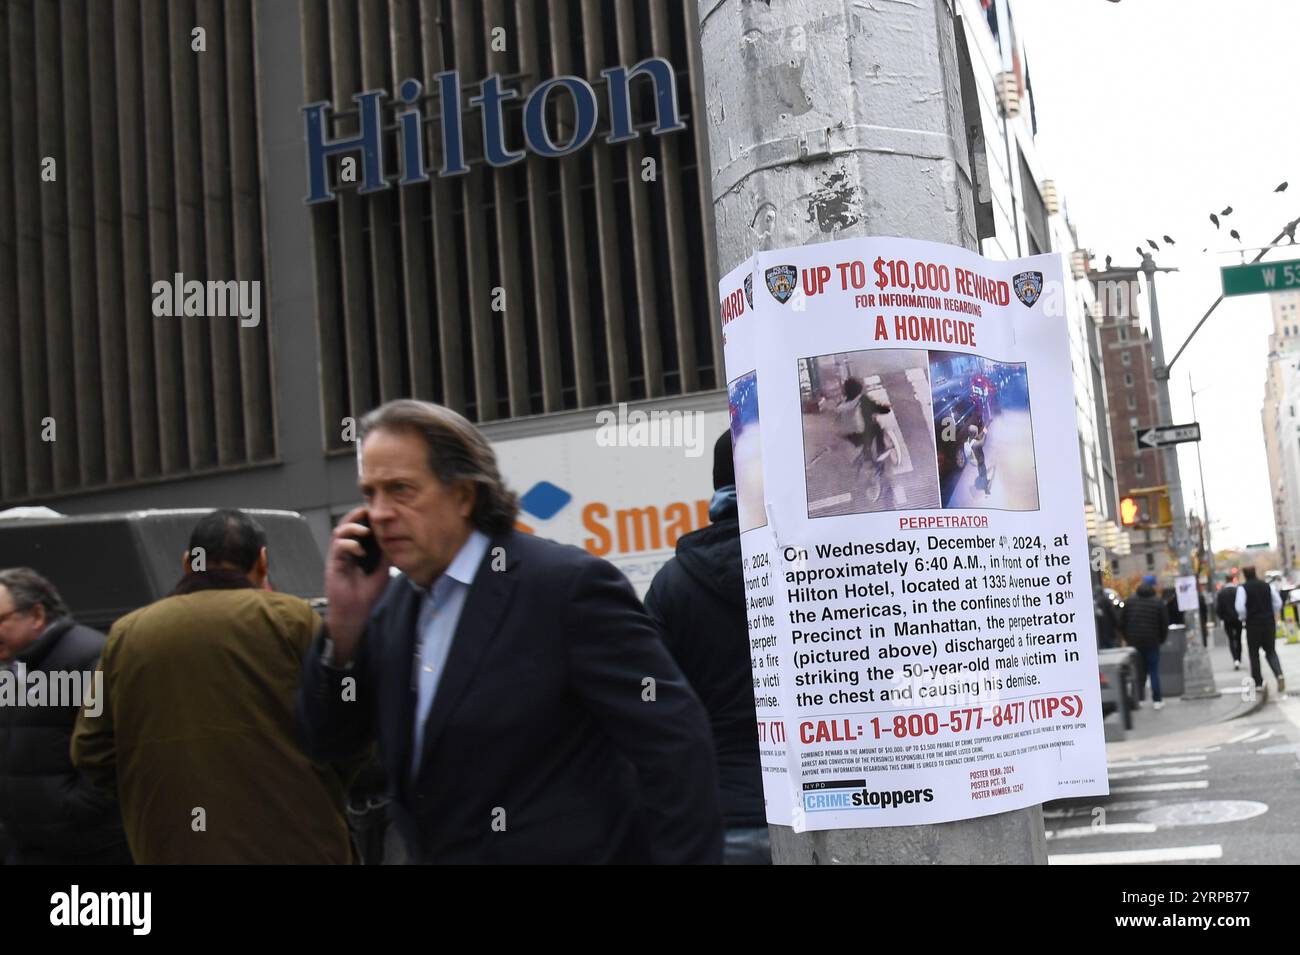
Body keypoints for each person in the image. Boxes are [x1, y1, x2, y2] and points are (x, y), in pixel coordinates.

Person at [296, 399, 722, 864]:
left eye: (400, 490)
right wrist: (345, 626)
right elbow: (330, 745)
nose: (379, 513)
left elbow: (675, 745)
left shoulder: (564, 588)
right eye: (370, 493)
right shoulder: (393, 606)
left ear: (463, 495)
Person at [72, 509, 357, 864]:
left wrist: (151, 790)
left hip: (172, 846)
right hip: (296, 843)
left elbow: (90, 748)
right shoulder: (294, 619)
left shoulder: (125, 635)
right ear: (263, 562)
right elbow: (346, 725)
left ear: (188, 563)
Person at [644, 432, 769, 865]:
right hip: (816, 811)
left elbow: (649, 709)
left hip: (720, 818)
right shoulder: (806, 568)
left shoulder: (671, 585)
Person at [0, 568, 130, 864]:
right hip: (26, 845)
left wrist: (73, 807)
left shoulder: (89, 659)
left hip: (89, 848)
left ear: (36, 614)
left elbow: (118, 747)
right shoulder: (13, 665)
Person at [834, 377, 894, 502]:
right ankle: (878, 458)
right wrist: (885, 407)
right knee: (876, 429)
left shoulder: (842, 406)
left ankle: (869, 475)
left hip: (850, 441)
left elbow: (837, 425)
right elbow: (883, 409)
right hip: (864, 438)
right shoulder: (863, 400)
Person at [1234, 566, 1285, 695]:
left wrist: (1245, 617)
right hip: (1268, 623)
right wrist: (1270, 613)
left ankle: (1257, 682)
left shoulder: (1243, 588)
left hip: (1253, 624)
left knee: (1254, 653)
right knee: (1271, 651)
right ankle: (1279, 674)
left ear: (1245, 575)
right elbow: (1278, 603)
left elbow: (1240, 608)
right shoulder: (1267, 586)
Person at [1121, 575, 1170, 710]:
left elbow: (1122, 621)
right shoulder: (1157, 602)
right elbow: (1164, 623)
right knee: (1153, 671)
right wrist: (1161, 639)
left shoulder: (1130, 601)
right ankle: (1157, 700)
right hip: (1152, 641)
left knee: (1138, 671)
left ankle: (1140, 699)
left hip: (1135, 642)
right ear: (1153, 586)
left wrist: (1128, 637)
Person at [1216, 577, 1243, 670]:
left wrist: (1222, 617)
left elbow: (1218, 609)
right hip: (1238, 618)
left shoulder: (1221, 593)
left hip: (1227, 620)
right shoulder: (1238, 591)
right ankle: (1239, 658)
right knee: (1238, 639)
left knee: (1231, 639)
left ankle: (1235, 659)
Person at [966, 422, 990, 495]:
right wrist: (986, 433)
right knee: (984, 473)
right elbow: (982, 442)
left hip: (976, 460)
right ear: (973, 434)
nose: (977, 433)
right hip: (980, 461)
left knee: (980, 471)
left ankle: (981, 478)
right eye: (976, 432)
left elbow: (980, 435)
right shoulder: (976, 444)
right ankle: (986, 489)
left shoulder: (970, 439)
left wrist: (987, 425)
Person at [1093, 586, 1119, 650]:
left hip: (1099, 629)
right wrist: (1116, 624)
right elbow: (1112, 613)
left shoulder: (1094, 601)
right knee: (1110, 645)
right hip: (1108, 626)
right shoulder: (1106, 600)